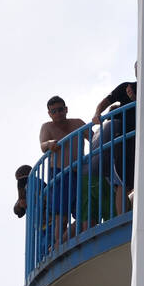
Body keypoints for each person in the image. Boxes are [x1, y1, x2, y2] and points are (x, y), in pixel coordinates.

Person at [39, 97, 87, 247]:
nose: (58, 113)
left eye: (60, 109)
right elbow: (43, 146)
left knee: (85, 214)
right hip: (60, 173)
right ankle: (59, 246)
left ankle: (63, 243)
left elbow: (94, 138)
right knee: (62, 216)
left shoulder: (77, 123)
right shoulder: (47, 127)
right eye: (54, 111)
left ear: (66, 109)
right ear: (49, 113)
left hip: (80, 173)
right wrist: (49, 144)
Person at [93, 70, 137, 214]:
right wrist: (97, 114)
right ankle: (122, 217)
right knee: (122, 179)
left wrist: (136, 99)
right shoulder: (127, 86)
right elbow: (106, 101)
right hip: (126, 138)